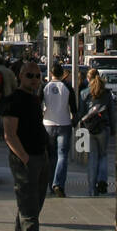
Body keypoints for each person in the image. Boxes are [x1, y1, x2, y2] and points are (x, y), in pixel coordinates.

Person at [1, 61, 57, 231]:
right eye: (30, 76)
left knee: (31, 205)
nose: (34, 79)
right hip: (26, 160)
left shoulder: (34, 99)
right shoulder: (13, 101)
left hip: (40, 157)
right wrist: (24, 157)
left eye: (37, 76)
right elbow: (9, 134)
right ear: (20, 77)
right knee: (29, 208)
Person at [42, 61, 78, 198]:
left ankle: (51, 183)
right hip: (64, 123)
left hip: (48, 123)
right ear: (62, 73)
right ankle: (58, 183)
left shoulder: (45, 87)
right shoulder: (67, 87)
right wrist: (74, 120)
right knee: (62, 155)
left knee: (51, 156)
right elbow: (74, 109)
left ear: (51, 73)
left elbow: (39, 103)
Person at [78, 68, 116, 197]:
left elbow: (81, 113)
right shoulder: (106, 93)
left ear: (88, 79)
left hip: (89, 128)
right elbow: (112, 112)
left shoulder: (84, 93)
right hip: (103, 127)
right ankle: (102, 180)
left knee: (92, 157)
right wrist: (113, 128)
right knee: (103, 155)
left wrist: (78, 124)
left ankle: (92, 189)